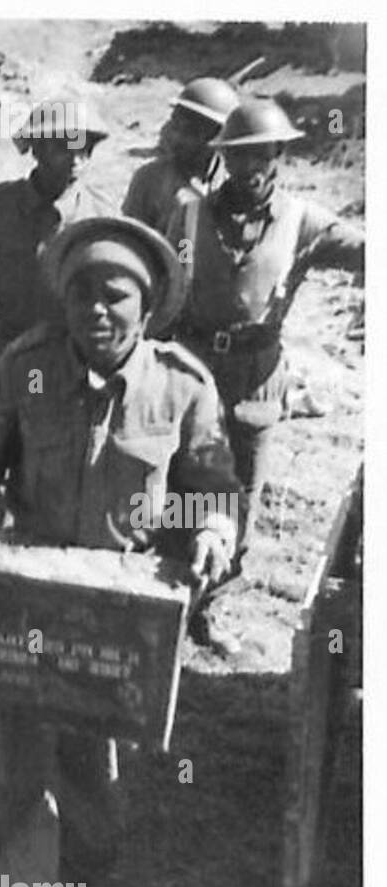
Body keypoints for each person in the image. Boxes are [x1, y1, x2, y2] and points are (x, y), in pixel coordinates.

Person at [0, 216, 241, 887]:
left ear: (146, 306)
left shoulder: (182, 387)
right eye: (81, 294)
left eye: (116, 296)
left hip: (119, 624)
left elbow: (210, 484)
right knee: (19, 787)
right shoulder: (27, 368)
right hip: (30, 613)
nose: (96, 310)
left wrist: (211, 532)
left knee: (93, 793)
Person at [164, 96, 365, 655]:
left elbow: (364, 249)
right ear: (223, 159)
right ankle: (171, 601)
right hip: (193, 371)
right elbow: (159, 282)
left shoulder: (302, 221)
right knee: (185, 487)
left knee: (242, 498)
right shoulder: (188, 215)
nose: (251, 168)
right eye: (239, 156)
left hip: (256, 380)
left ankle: (211, 607)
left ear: (278, 155)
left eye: (262, 155)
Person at [0, 98, 114, 420]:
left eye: (83, 145)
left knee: (46, 462)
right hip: (3, 357)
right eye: (63, 145)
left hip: (64, 366)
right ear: (36, 150)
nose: (76, 157)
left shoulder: (101, 214)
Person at [122, 76, 238, 236]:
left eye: (190, 131)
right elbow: (131, 243)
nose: (177, 138)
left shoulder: (235, 181)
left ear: (216, 136)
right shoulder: (149, 180)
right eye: (175, 125)